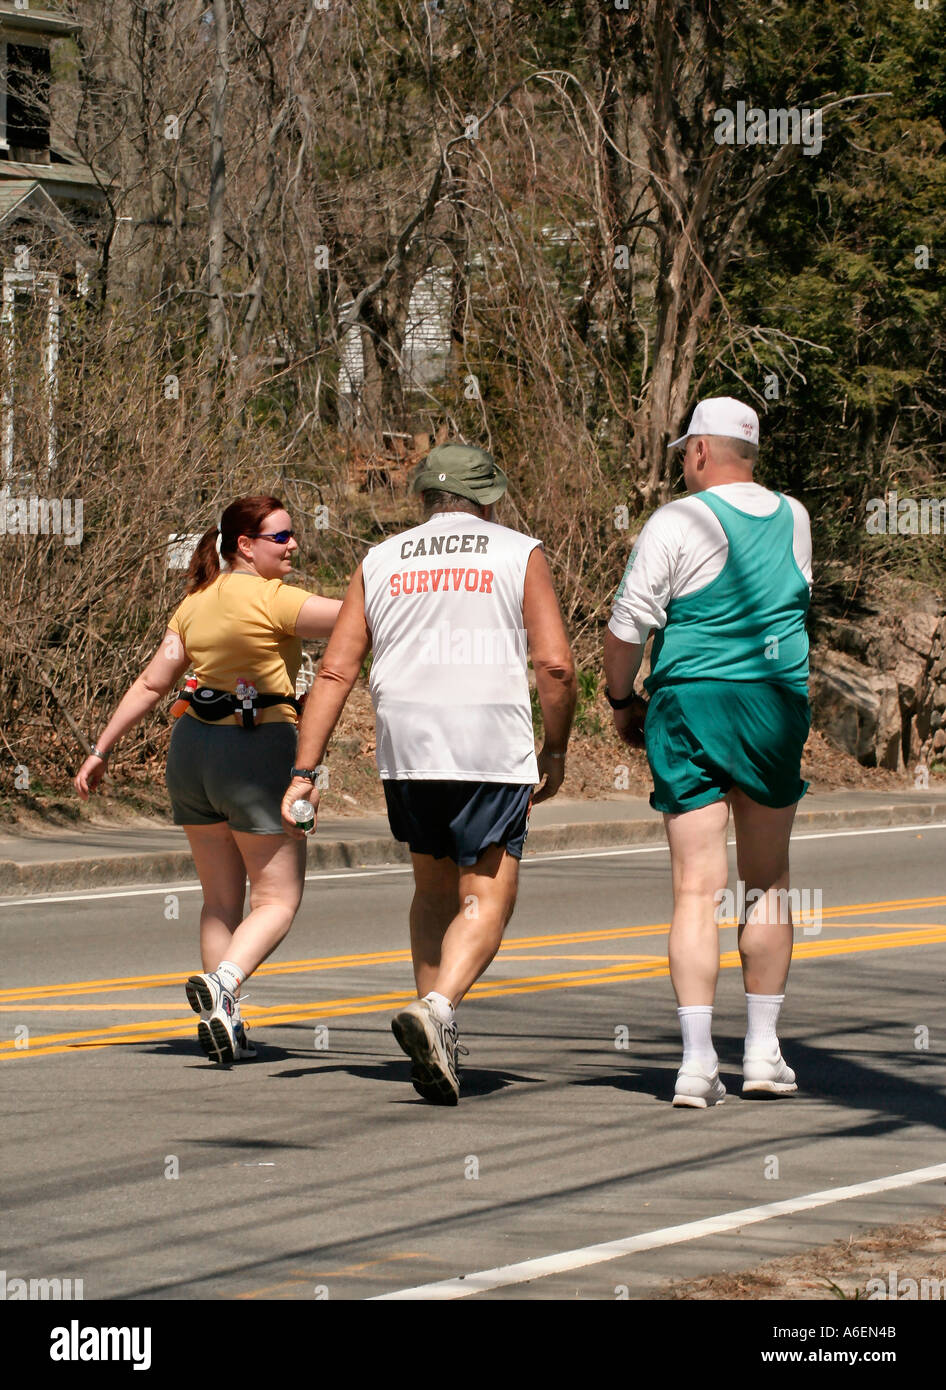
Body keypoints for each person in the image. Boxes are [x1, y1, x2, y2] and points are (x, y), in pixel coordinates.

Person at [280, 444, 577, 1105]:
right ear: (489, 499)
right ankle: (438, 1009)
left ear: (423, 499)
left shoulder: (380, 560)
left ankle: (433, 1027)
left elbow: (334, 670)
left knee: (434, 893)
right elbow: (554, 665)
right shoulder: (516, 550)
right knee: (486, 899)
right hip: (487, 746)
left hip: (407, 746)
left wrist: (305, 769)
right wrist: (554, 749)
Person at [75, 496, 341, 1064]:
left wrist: (100, 749)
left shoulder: (193, 602)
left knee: (220, 901)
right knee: (277, 899)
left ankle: (222, 1016)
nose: (294, 545)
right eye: (282, 537)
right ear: (245, 544)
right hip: (256, 749)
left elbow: (152, 683)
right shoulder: (275, 599)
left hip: (192, 753)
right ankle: (224, 982)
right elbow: (357, 617)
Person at [603, 397, 812, 1108]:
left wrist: (621, 699)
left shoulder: (677, 519)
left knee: (697, 887)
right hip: (772, 704)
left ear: (698, 452)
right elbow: (797, 599)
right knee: (769, 882)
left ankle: (696, 1064)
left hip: (690, 699)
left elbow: (630, 622)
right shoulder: (794, 517)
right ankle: (762, 1051)